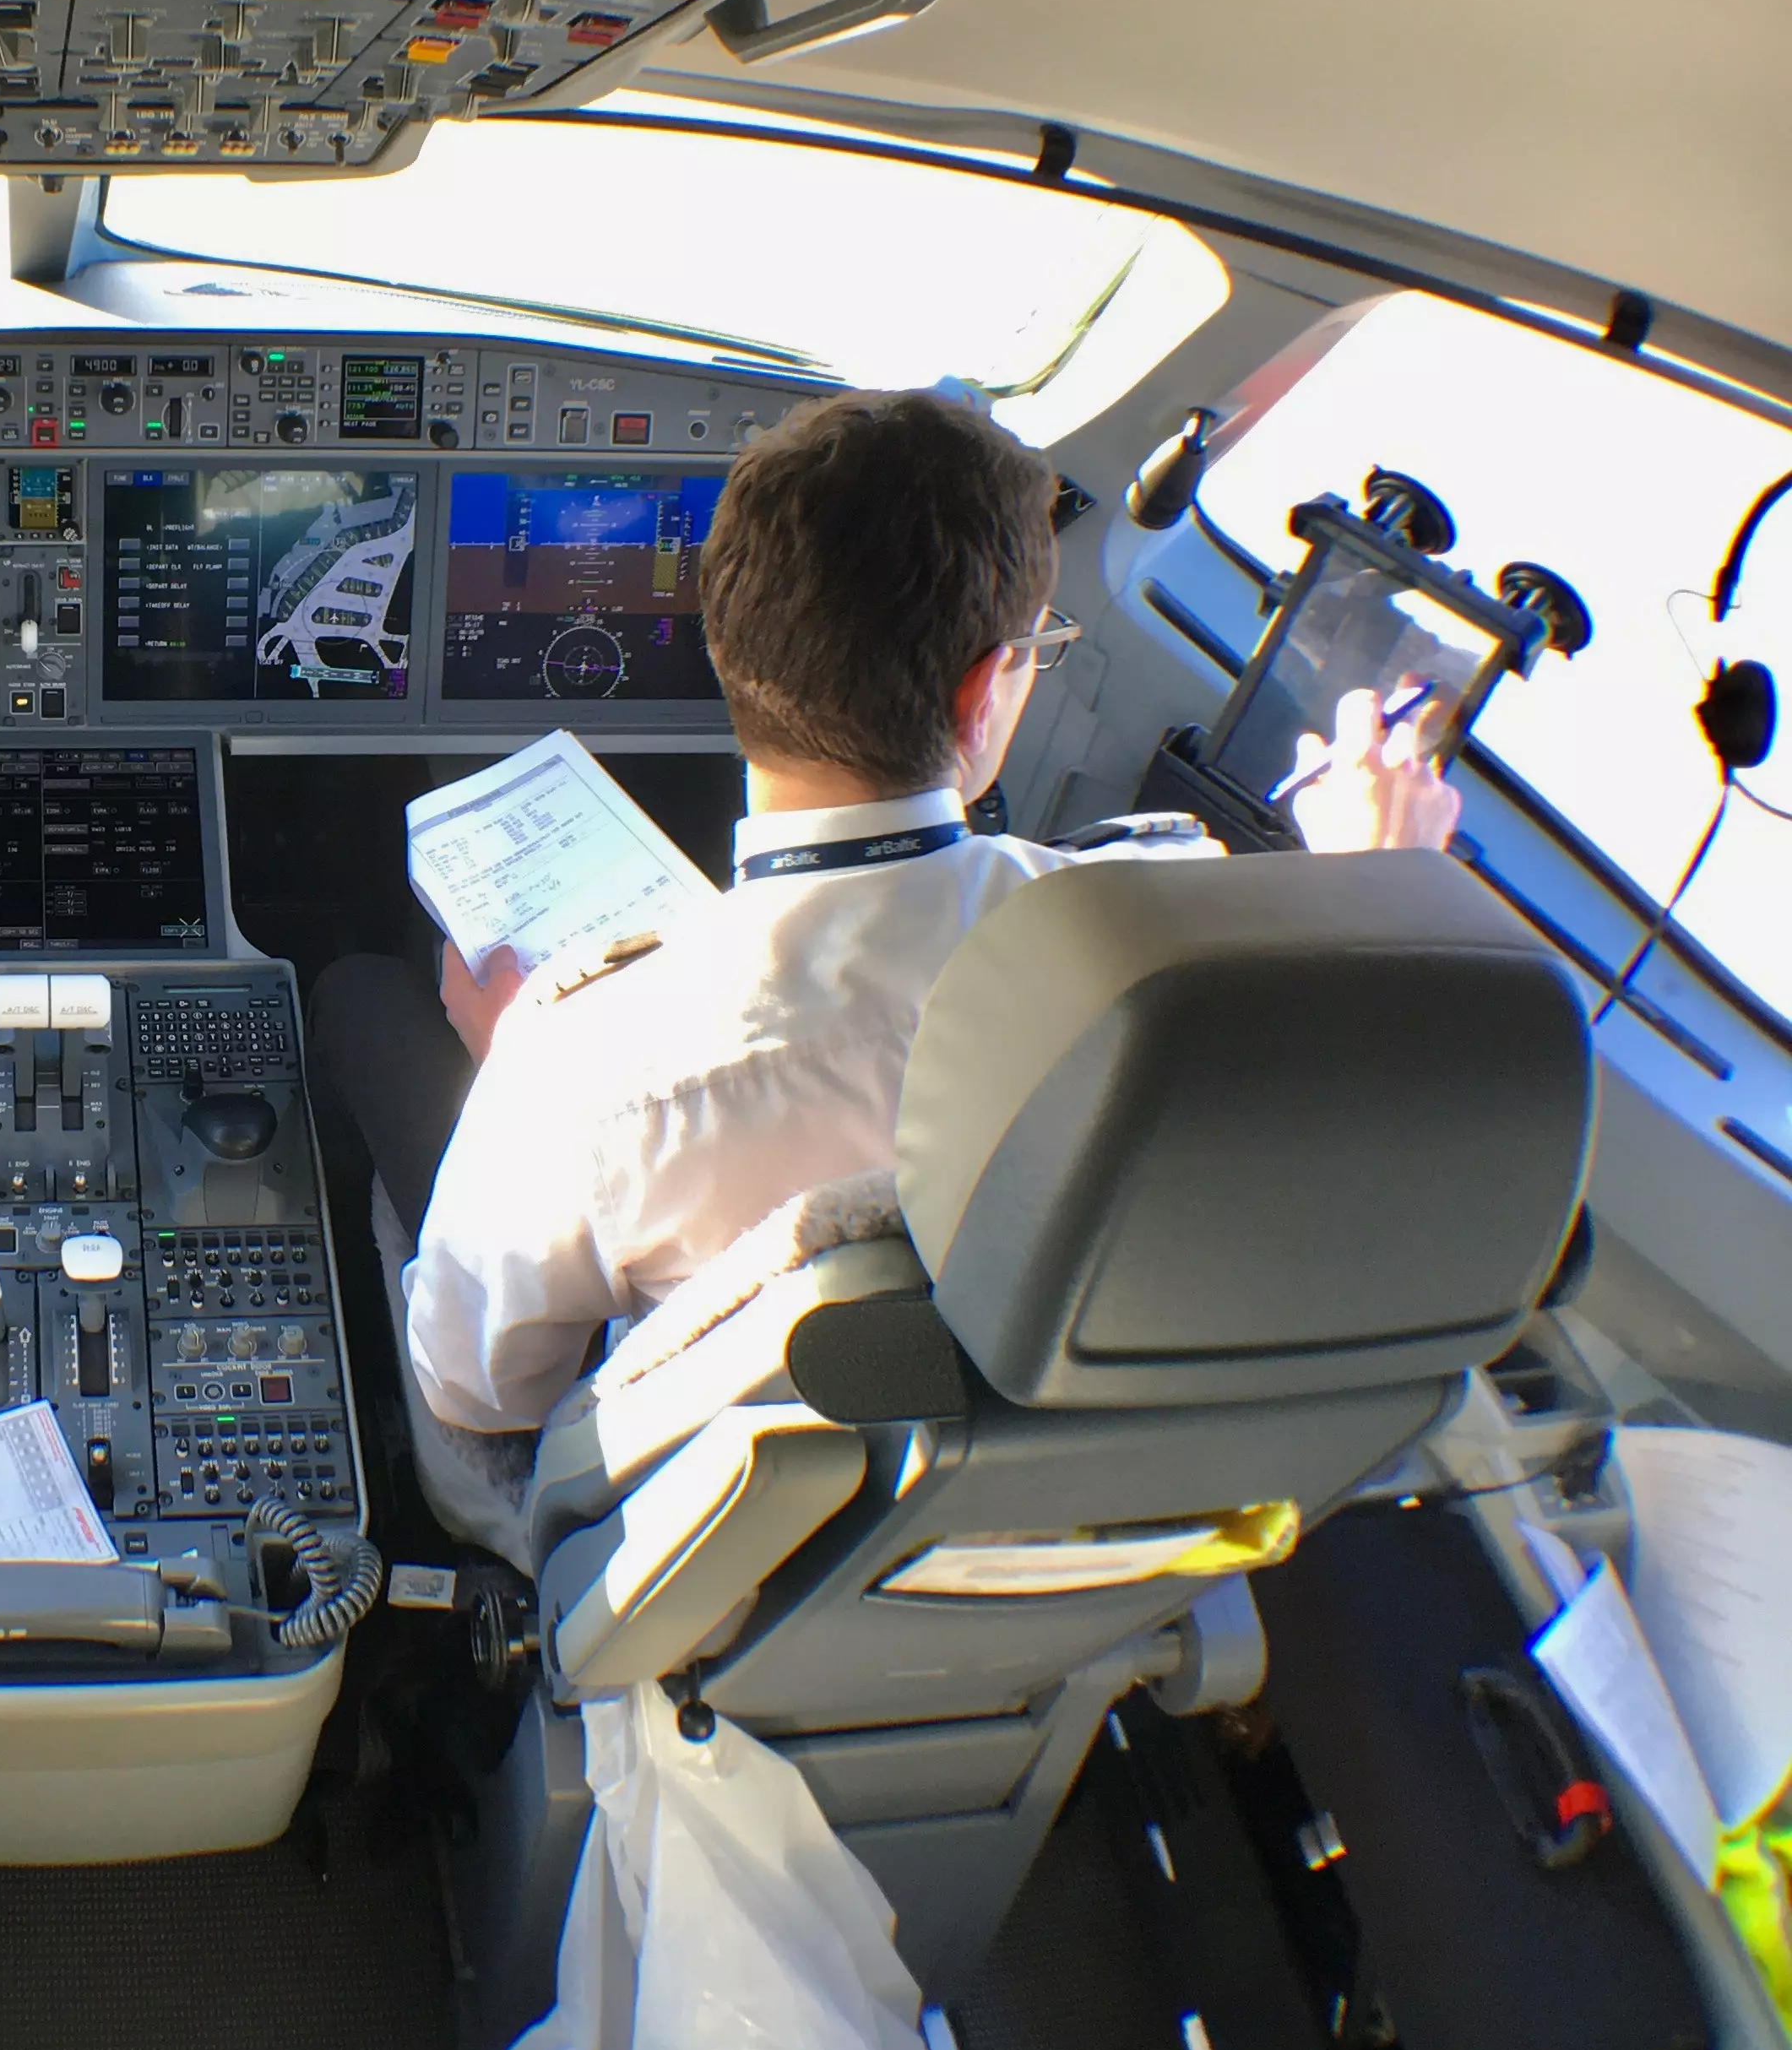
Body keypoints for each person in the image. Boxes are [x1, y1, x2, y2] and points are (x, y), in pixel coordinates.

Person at [322, 388, 1458, 1438]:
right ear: (980, 693)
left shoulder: (581, 1067)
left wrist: (502, 1064)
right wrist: (1376, 884)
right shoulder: (1188, 947)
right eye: (1033, 656)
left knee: (362, 996)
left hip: (732, 1542)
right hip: (1079, 1507)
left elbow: (475, 1393)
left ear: (724, 644)